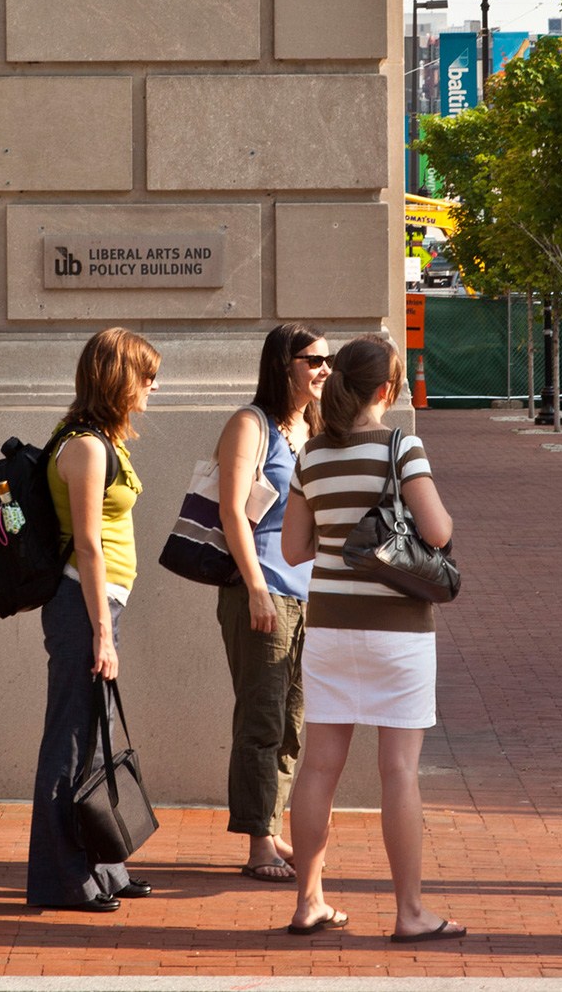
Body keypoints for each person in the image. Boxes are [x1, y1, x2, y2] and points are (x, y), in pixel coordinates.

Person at [280, 335, 464, 943]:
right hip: (397, 628)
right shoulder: (400, 445)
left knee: (318, 767)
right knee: (399, 771)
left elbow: (293, 549)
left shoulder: (311, 454)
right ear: (386, 389)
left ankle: (309, 900)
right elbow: (436, 532)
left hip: (330, 625)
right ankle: (409, 911)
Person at [26, 327, 162, 912]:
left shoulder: (105, 440)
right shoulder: (83, 446)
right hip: (85, 606)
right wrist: (102, 635)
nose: (152, 388)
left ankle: (106, 864)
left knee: (96, 741)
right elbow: (86, 543)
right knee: (71, 739)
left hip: (101, 606)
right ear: (117, 378)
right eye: (145, 376)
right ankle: (62, 879)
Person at [214, 324, 329, 883]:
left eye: (327, 362)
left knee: (293, 722)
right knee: (261, 718)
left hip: (308, 597)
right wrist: (256, 585)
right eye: (314, 361)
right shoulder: (249, 425)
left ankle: (272, 824)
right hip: (262, 592)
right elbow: (232, 511)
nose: (324, 370)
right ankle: (258, 841)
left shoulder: (310, 429)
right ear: (285, 364)